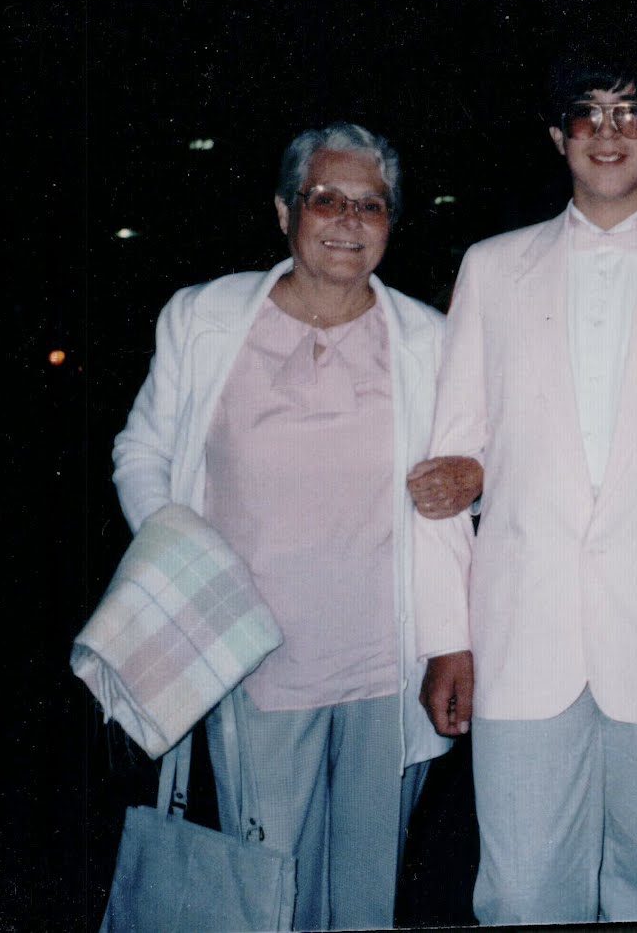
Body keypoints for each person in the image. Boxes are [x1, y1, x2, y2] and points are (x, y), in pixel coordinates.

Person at [408, 42, 637, 925]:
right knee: (522, 888)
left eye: (632, 113)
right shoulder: (492, 269)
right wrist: (445, 639)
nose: (608, 133)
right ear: (557, 134)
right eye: (589, 112)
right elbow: (443, 469)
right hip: (517, 637)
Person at [111, 123, 451, 930]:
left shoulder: (430, 340)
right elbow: (141, 450)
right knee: (263, 892)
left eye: (370, 204)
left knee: (369, 895)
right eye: (324, 198)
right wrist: (177, 564)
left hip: (386, 664)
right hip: (253, 655)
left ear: (392, 223)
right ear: (283, 211)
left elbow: (465, 481)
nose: (346, 219)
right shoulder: (206, 317)